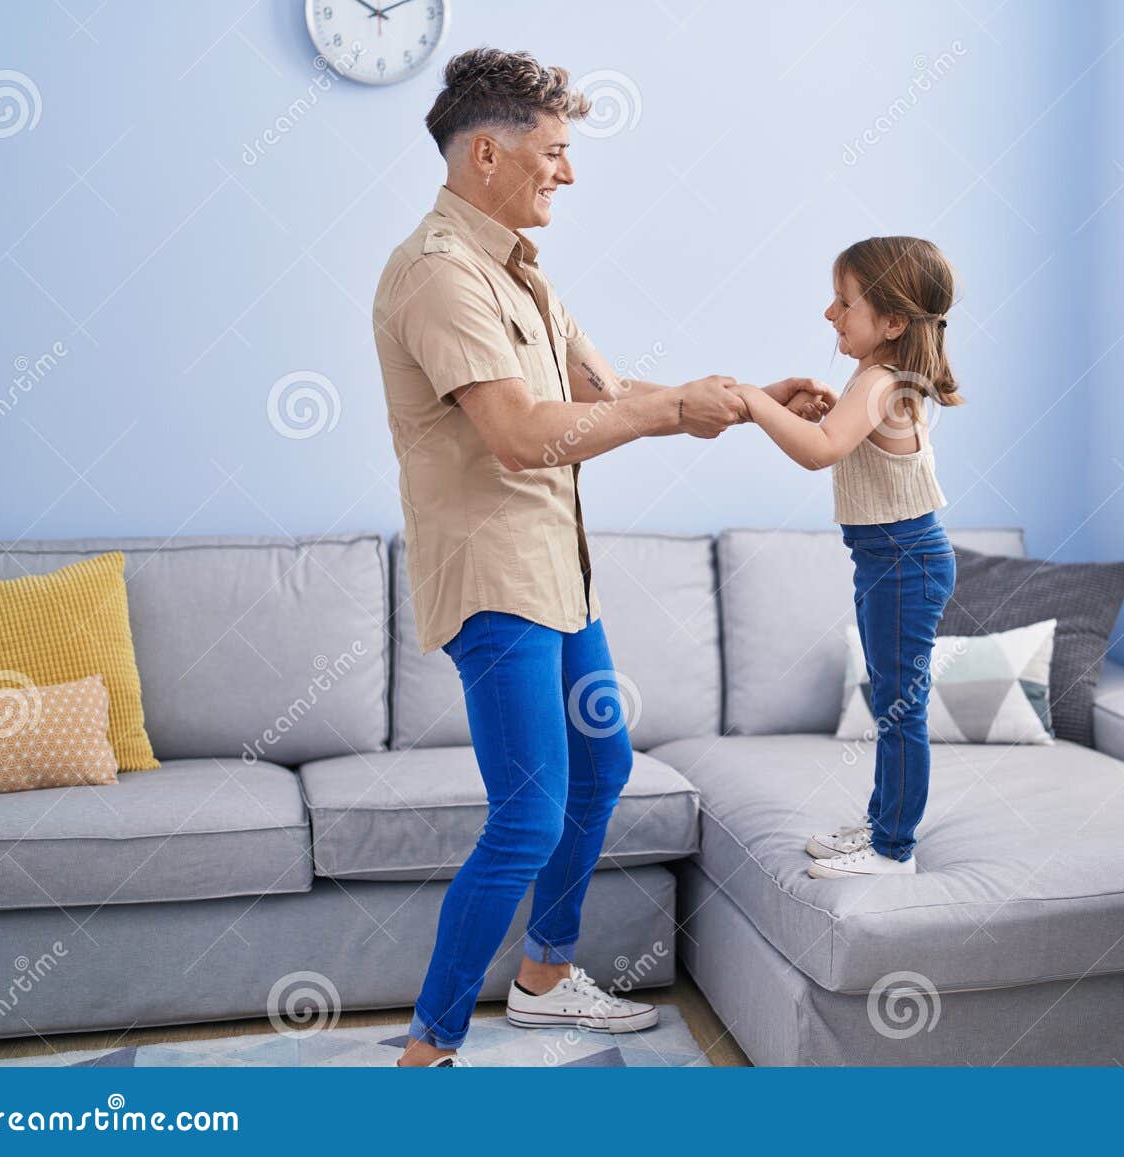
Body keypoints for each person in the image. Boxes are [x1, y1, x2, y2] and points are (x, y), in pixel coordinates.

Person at [371, 47, 832, 1067]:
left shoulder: (520, 271)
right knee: (528, 816)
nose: (569, 173)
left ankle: (544, 978)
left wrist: (746, 401)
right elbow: (518, 434)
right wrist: (671, 412)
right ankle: (427, 1051)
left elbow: (606, 392)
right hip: (495, 580)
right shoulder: (439, 275)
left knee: (605, 761)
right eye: (554, 152)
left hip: (556, 573)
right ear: (486, 154)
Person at [732, 236, 963, 879]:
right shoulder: (874, 379)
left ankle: (893, 849)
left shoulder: (882, 380)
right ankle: (883, 822)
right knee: (890, 701)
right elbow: (844, 439)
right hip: (886, 560)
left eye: (843, 302)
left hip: (904, 561)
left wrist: (754, 400)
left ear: (892, 323)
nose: (829, 314)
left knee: (899, 709)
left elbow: (819, 451)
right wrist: (826, 413)